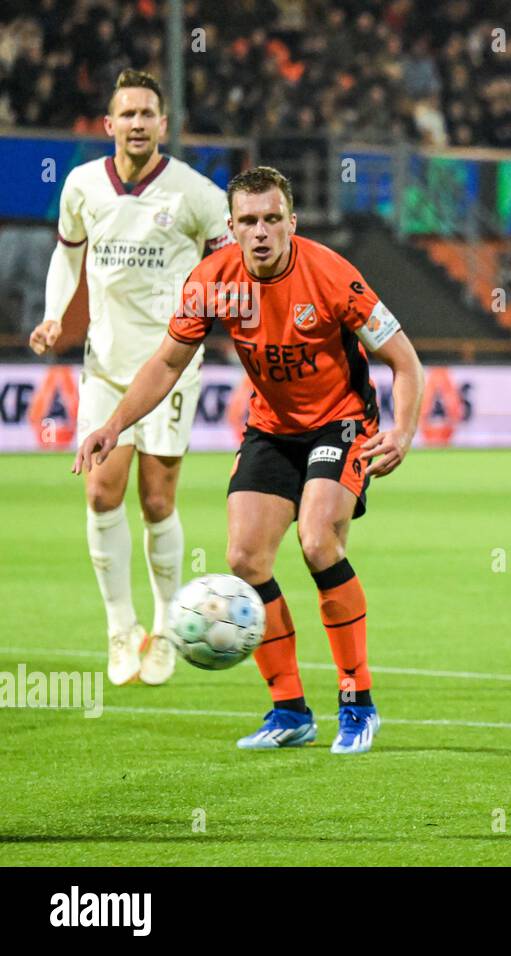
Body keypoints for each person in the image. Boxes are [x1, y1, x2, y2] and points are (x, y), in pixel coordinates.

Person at [75, 166, 426, 754]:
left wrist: (404, 432)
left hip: (341, 424)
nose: (260, 232)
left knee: (318, 542)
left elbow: (406, 361)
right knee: (244, 559)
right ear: (231, 227)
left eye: (271, 219)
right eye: (247, 221)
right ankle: (289, 710)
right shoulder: (212, 279)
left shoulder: (333, 276)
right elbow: (166, 364)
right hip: (271, 427)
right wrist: (113, 425)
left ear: (292, 221)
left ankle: (357, 702)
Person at [32, 69, 234, 687]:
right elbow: (69, 254)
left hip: (173, 368)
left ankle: (169, 626)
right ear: (109, 125)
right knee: (99, 493)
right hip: (105, 366)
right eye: (129, 114)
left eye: (149, 114)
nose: (139, 124)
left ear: (164, 125)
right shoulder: (82, 185)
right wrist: (51, 316)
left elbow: (229, 265)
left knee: (156, 501)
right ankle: (122, 628)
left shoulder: (197, 193)